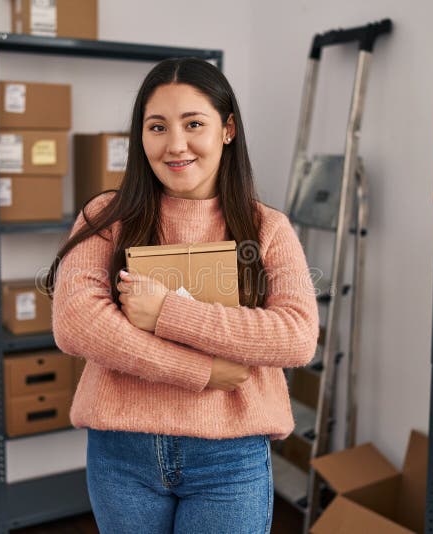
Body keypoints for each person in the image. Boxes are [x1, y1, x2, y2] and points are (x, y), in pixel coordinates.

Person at [46, 57, 319, 534]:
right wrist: (203, 371)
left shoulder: (267, 229)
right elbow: (76, 321)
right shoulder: (105, 217)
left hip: (229, 458)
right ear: (141, 136)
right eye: (157, 127)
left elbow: (296, 336)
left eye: (194, 123)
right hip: (122, 455)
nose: (175, 145)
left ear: (227, 129)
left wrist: (168, 313)